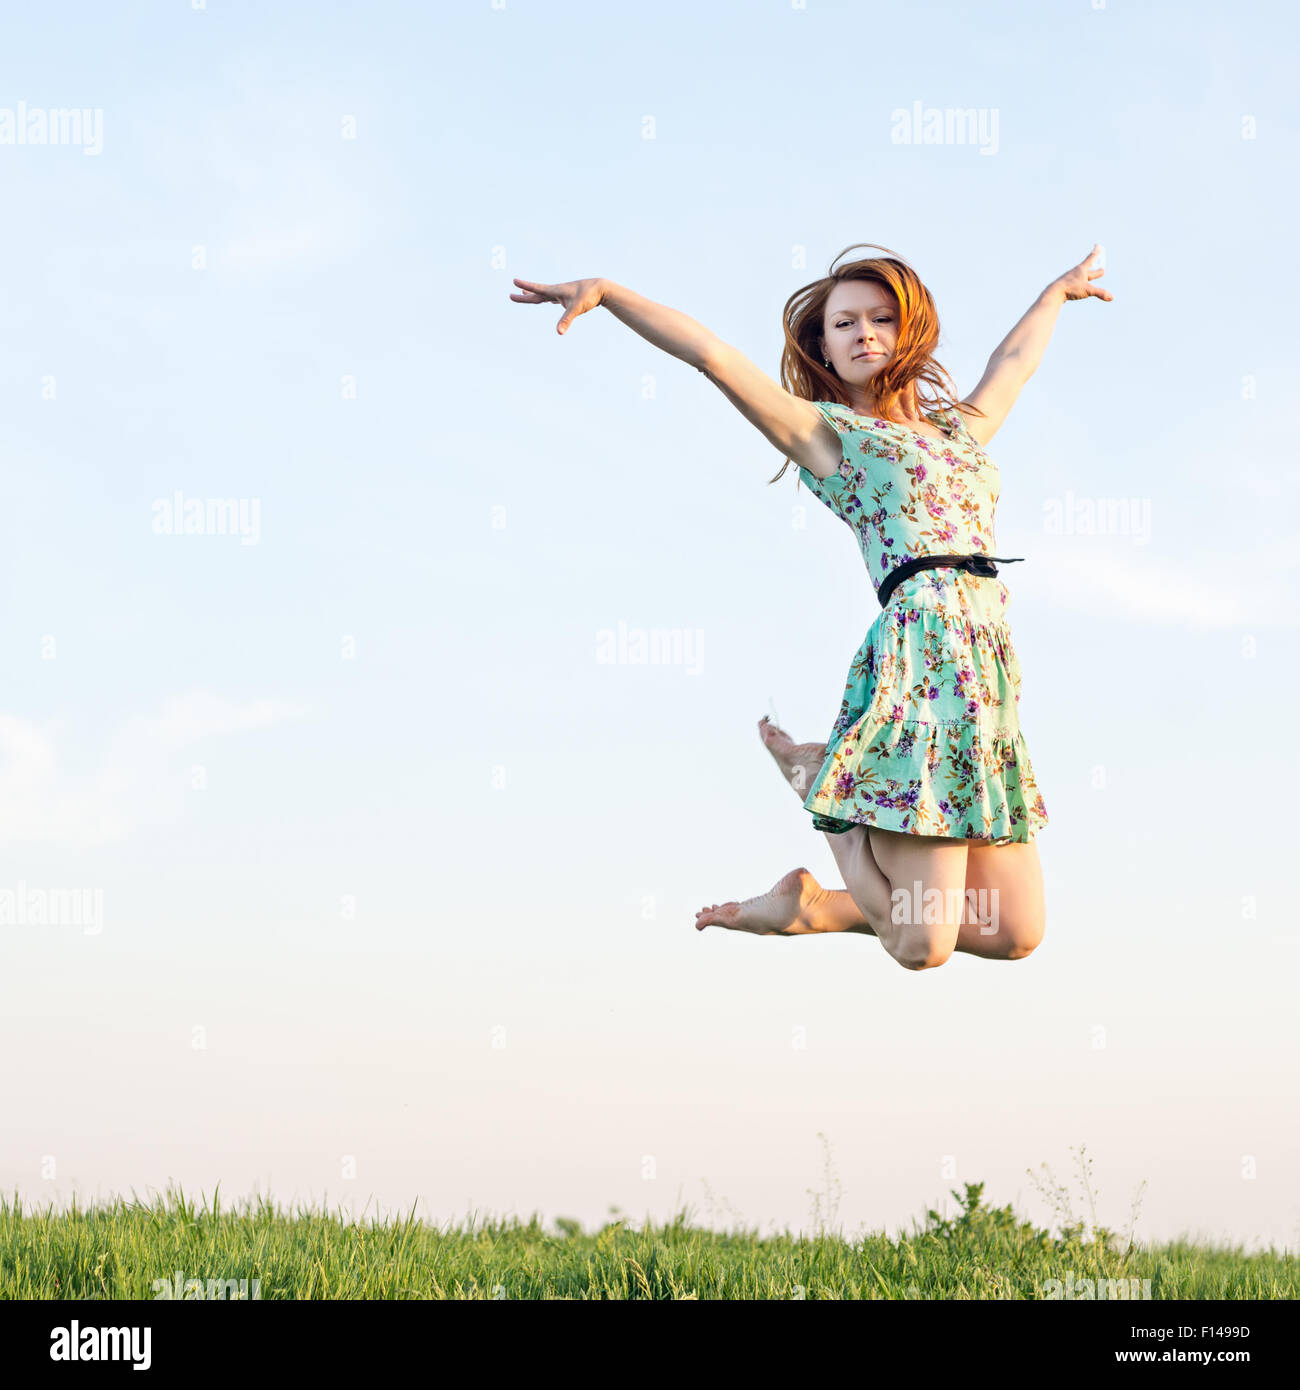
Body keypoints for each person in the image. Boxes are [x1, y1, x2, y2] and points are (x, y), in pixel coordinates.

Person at [509, 243, 1111, 971]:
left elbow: (1013, 364)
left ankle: (818, 905)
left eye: (882, 318)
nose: (865, 333)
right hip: (922, 670)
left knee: (1014, 931)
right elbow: (714, 356)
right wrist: (609, 292)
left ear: (909, 330)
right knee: (923, 944)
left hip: (985, 682)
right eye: (845, 323)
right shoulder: (829, 438)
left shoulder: (958, 433)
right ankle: (832, 811)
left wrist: (1056, 293)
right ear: (821, 345)